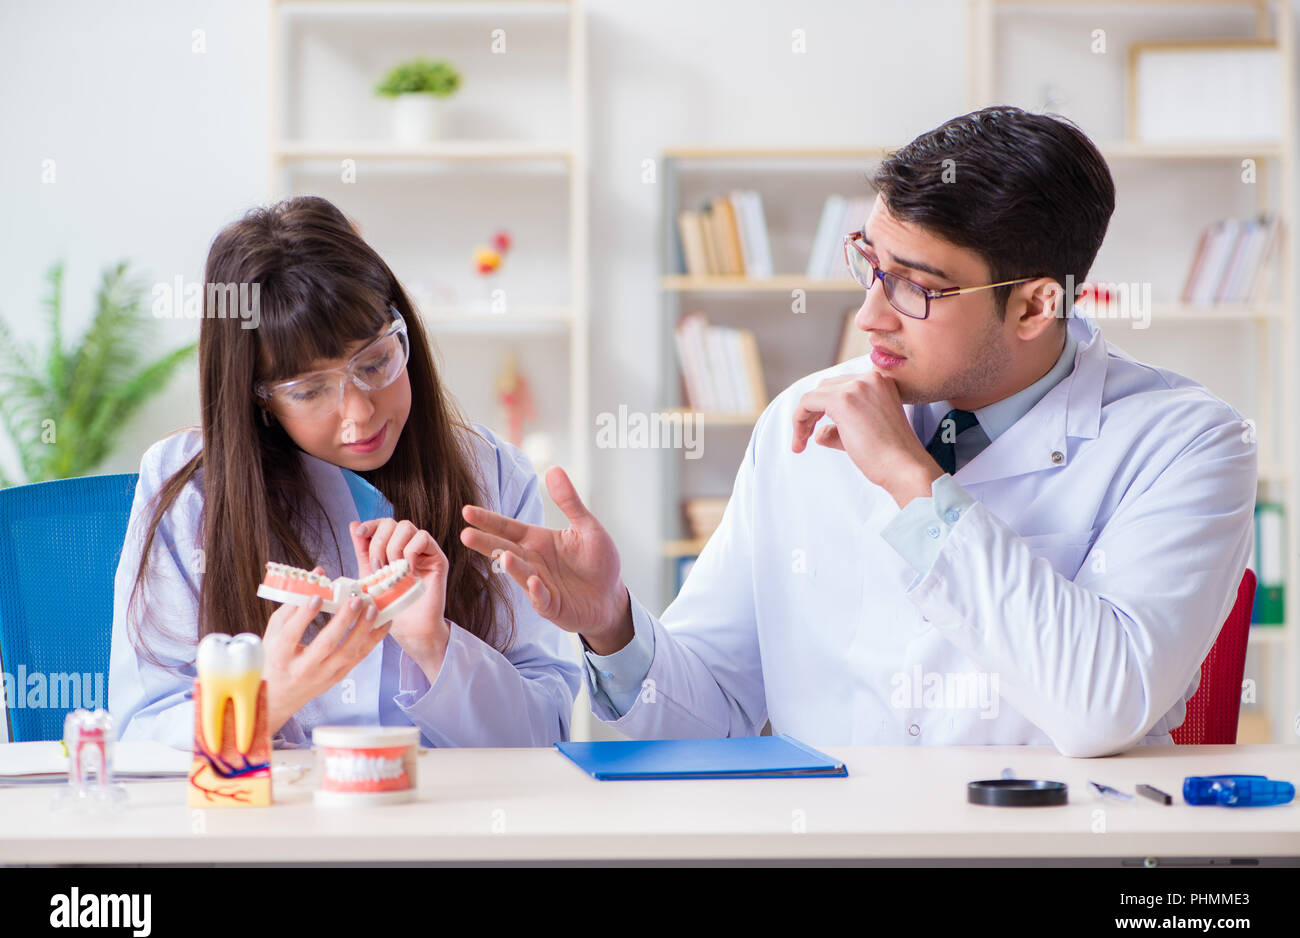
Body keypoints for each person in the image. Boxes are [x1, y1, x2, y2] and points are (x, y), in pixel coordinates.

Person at [460, 106, 1257, 758]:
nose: (871, 314)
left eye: (917, 287)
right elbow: (713, 720)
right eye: (870, 264)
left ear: (1034, 306)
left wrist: (914, 484)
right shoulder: (802, 422)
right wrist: (613, 626)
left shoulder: (1188, 443)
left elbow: (1099, 707)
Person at [109, 196, 581, 749]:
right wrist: (267, 700)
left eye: (376, 362)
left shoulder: (492, 474)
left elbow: (544, 735)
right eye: (309, 390)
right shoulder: (191, 492)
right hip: (273, 828)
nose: (360, 414)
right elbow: (137, 735)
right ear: (257, 399)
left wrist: (436, 645)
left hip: (448, 825)